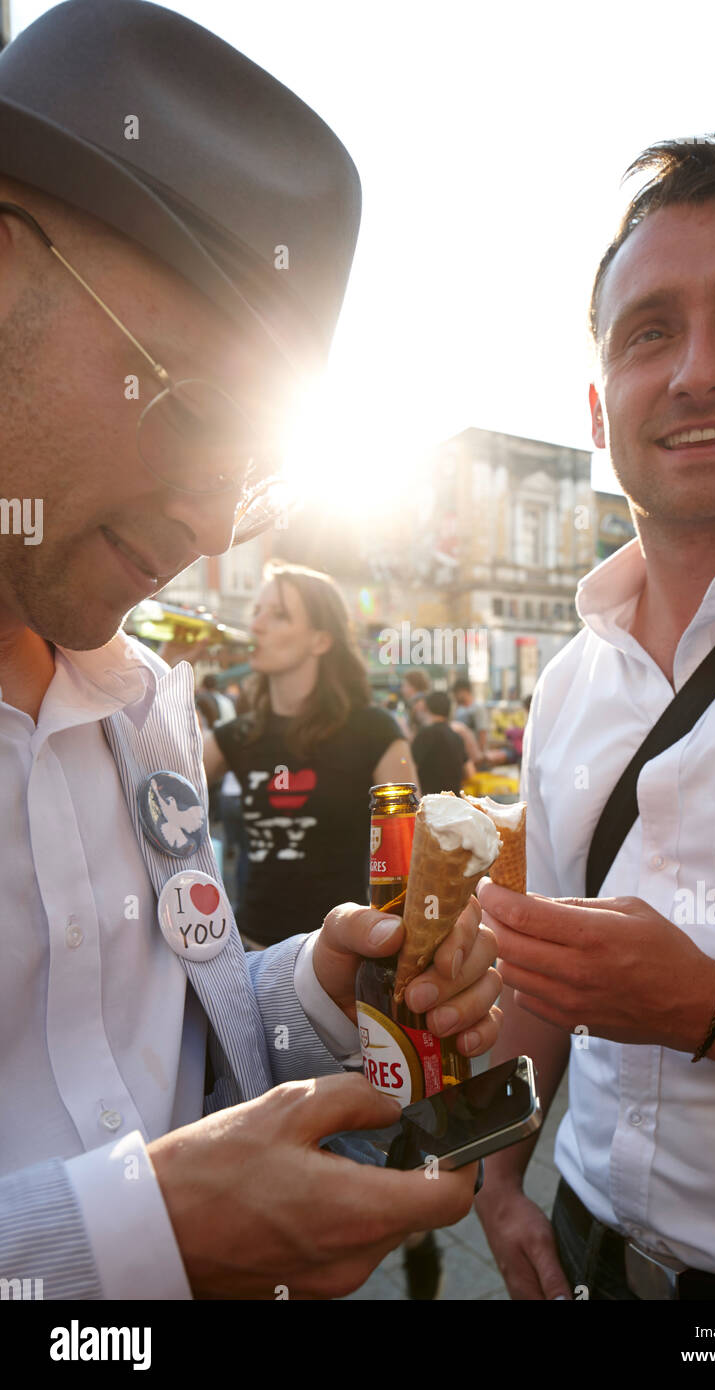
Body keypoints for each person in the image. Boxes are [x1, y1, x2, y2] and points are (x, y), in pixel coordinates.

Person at [0, 0, 501, 1301]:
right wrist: (128, 1240)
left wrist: (319, 987)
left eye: (253, 467)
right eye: (190, 408)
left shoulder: (147, 706)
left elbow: (175, 1047)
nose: (217, 525)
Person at [476, 135, 715, 1301]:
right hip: (587, 1246)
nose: (700, 370)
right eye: (649, 330)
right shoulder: (567, 678)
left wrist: (707, 1009)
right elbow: (545, 976)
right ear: (599, 406)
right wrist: (498, 1179)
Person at [203, 562, 419, 947]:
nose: (257, 626)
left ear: (321, 640)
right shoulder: (239, 734)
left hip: (339, 959)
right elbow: (158, 797)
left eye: (279, 615)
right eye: (257, 612)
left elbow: (412, 851)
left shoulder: (374, 731)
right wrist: (169, 664)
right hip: (251, 953)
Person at [411, 690, 475, 795]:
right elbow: (470, 773)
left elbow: (411, 771)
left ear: (426, 708)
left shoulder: (423, 735)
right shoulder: (456, 737)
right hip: (454, 802)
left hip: (430, 803)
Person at [452, 677, 489, 756]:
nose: (455, 696)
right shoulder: (458, 710)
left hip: (474, 754)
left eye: (456, 693)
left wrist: (479, 754)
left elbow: (482, 732)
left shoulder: (477, 708)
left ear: (464, 691)